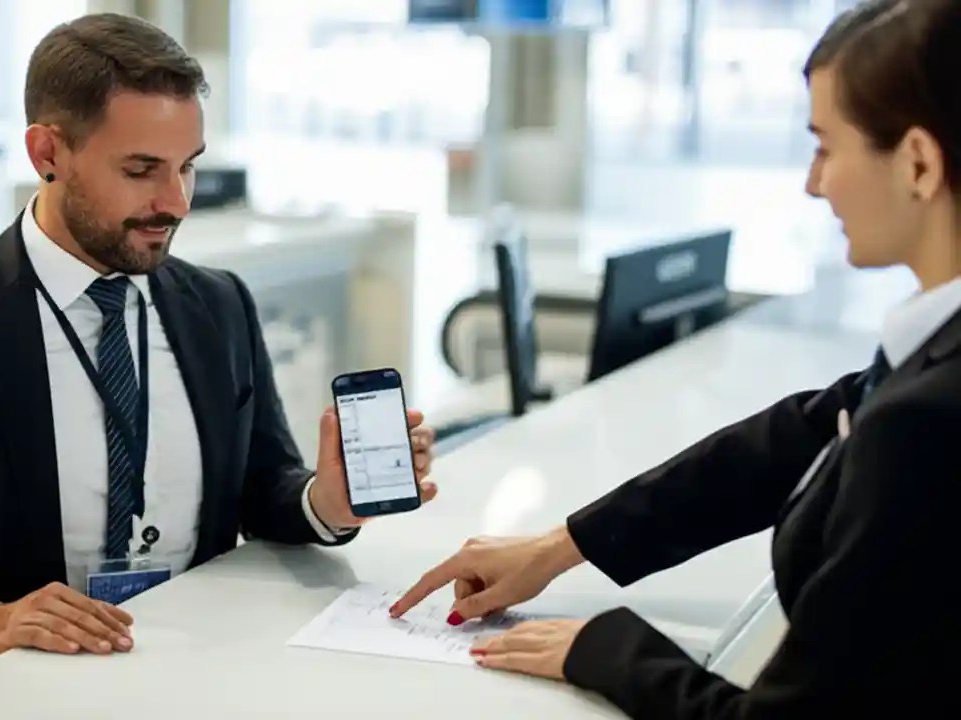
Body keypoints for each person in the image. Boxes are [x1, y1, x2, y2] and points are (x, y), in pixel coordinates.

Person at [0, 13, 438, 707]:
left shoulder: (217, 305)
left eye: (188, 167)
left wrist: (325, 500)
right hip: (2, 697)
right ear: (48, 151)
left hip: (196, 684)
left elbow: (260, 488)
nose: (176, 202)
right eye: (142, 170)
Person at [392, 0, 961, 716]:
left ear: (917, 162)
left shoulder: (928, 421)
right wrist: (561, 546)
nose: (813, 183)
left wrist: (607, 648)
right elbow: (791, 438)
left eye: (825, 146)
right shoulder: (931, 362)